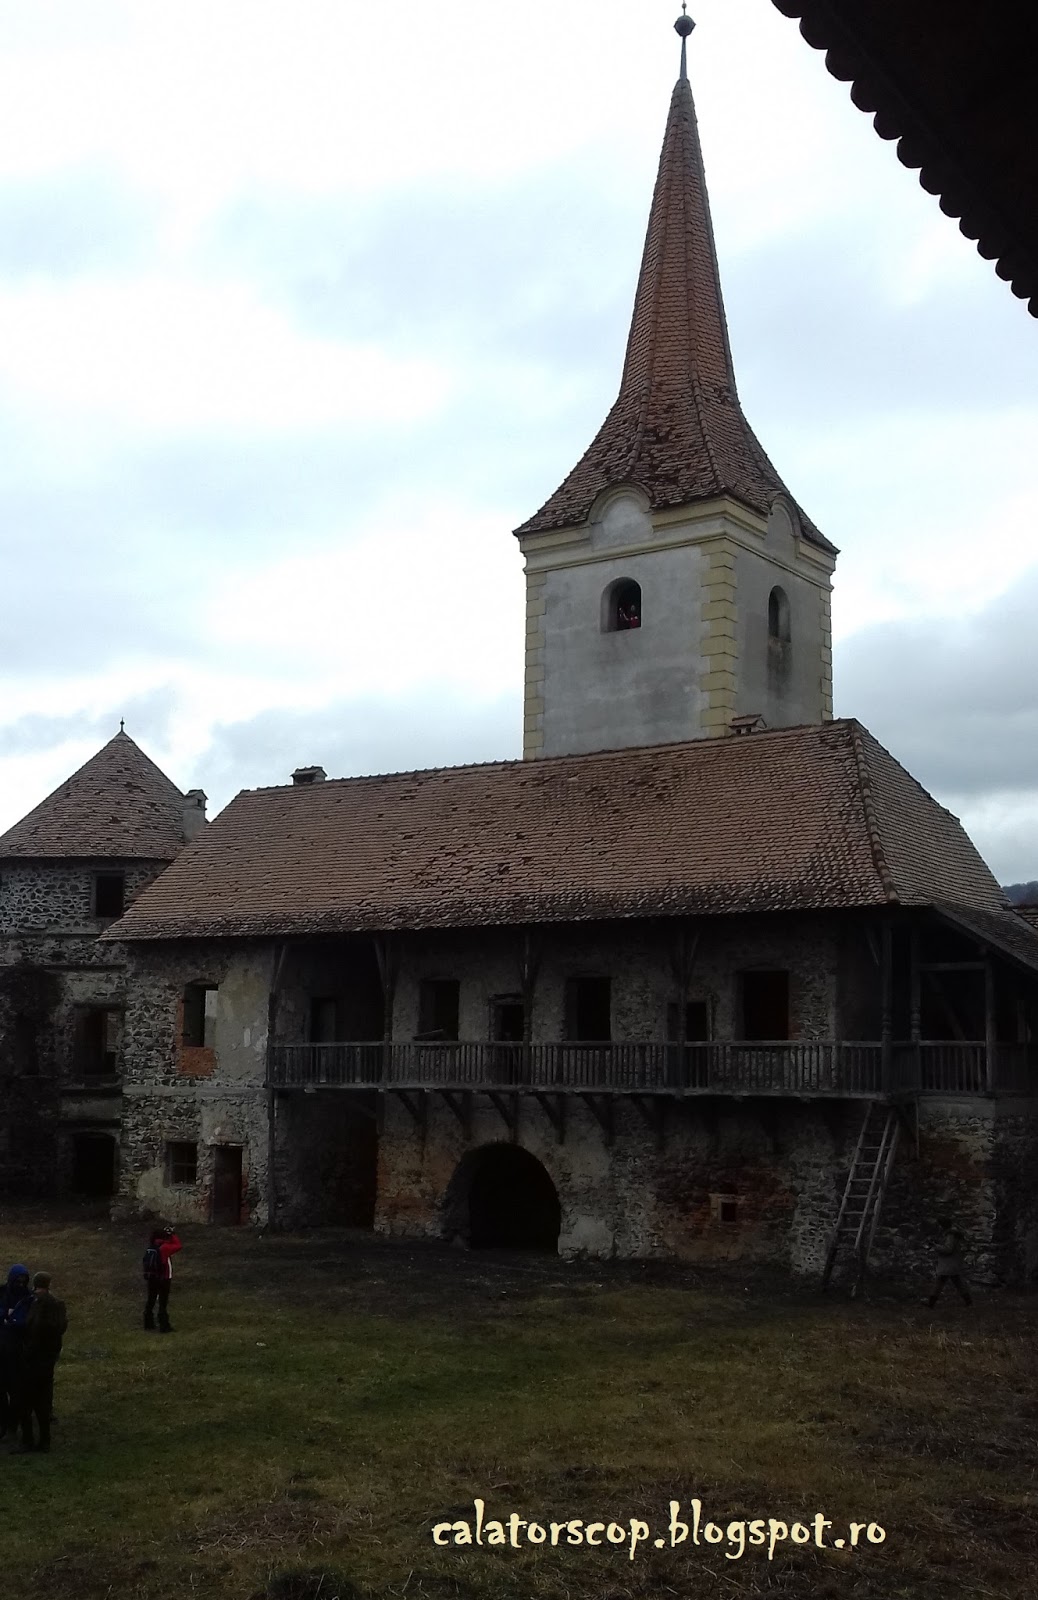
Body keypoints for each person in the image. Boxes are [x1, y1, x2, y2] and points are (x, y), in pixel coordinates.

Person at [13, 1271, 67, 1454]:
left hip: (33, 1361)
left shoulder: (39, 1305)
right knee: (43, 1403)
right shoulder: (58, 1304)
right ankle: (45, 1441)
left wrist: (25, 1353)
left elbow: (34, 1331)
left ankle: (27, 1441)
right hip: (49, 1360)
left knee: (23, 1402)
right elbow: (62, 1328)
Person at [0, 1265, 32, 1440]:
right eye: (18, 1280)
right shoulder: (3, 1293)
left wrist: (11, 1320)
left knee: (15, 1390)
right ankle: (3, 1422)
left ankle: (11, 1424)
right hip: (2, 1347)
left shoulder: (28, 1297)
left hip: (16, 1351)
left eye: (23, 1281)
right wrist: (6, 1314)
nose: (20, 1284)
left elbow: (26, 1321)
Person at [926, 1218, 972, 1307]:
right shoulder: (950, 1234)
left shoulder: (950, 1235)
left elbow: (948, 1249)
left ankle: (931, 1304)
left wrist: (936, 1246)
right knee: (957, 1282)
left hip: (949, 1263)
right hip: (951, 1263)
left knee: (940, 1282)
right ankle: (968, 1302)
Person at [143, 1226, 182, 1332]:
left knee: (151, 1300)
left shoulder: (152, 1247)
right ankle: (164, 1325)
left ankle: (148, 1322)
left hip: (152, 1277)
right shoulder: (164, 1247)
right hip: (163, 1278)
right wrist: (172, 1234)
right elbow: (178, 1246)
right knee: (163, 1303)